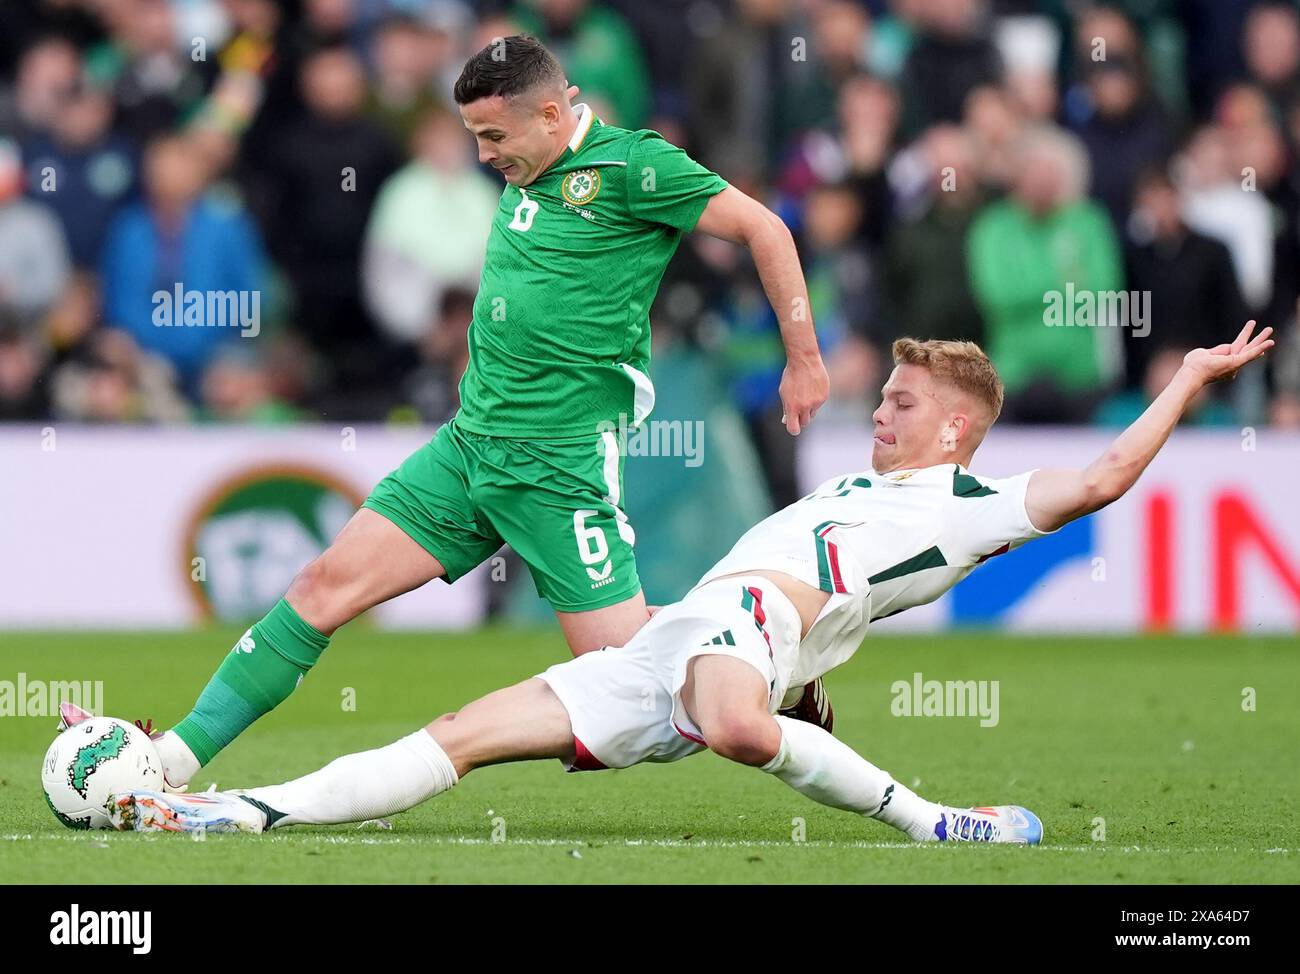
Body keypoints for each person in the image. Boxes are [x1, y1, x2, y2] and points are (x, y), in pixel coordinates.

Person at [102, 325, 1273, 841]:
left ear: (958, 427)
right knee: (453, 734)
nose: (880, 408)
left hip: (745, 632)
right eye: (884, 393)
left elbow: (1109, 473)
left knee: (731, 720)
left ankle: (934, 821)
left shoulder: (975, 505)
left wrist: (1184, 379)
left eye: (903, 401)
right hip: (681, 635)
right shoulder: (854, 490)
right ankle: (217, 811)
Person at [137, 35, 829, 793]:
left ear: (554, 112)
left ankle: (778, 676)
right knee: (321, 587)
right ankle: (169, 761)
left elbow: (766, 228)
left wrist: (803, 358)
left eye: (495, 136)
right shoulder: (529, 163)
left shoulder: (636, 166)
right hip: (468, 449)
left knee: (635, 677)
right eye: (474, 137)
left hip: (559, 466)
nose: (485, 155)